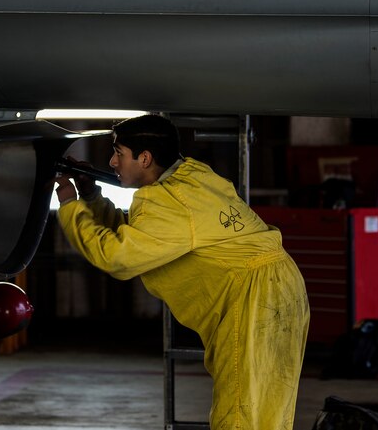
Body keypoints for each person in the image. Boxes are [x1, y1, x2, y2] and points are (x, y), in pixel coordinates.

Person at [54, 114, 310, 429]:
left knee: (242, 413)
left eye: (119, 153)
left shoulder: (167, 202)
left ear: (144, 158)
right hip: (280, 287)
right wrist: (92, 196)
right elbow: (143, 237)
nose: (112, 161)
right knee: (267, 411)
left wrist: (69, 206)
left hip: (254, 301)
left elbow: (116, 256)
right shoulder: (192, 175)